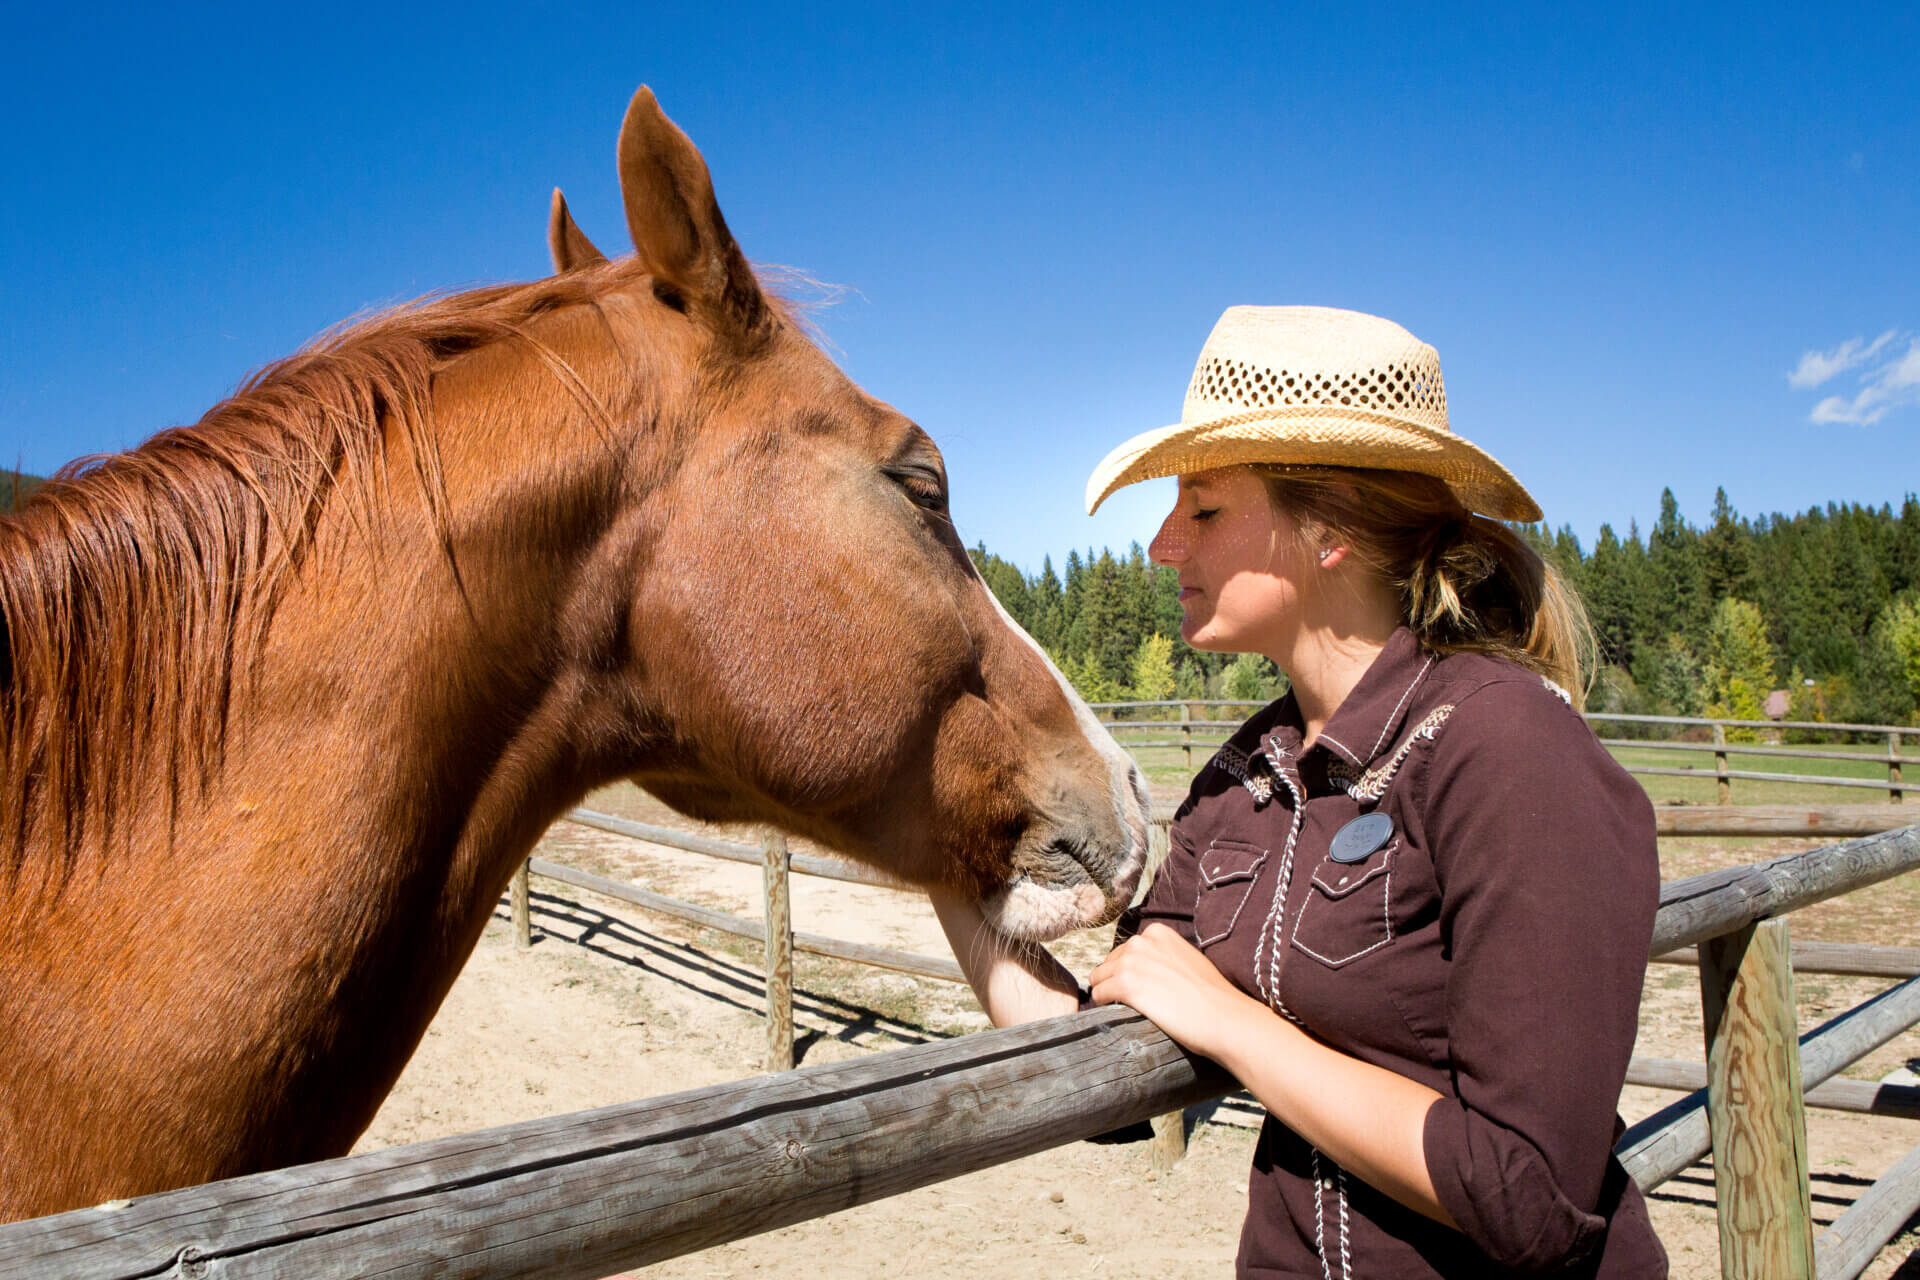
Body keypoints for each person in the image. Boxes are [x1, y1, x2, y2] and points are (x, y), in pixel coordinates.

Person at [931, 306, 1666, 1277]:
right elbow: (1110, 1066)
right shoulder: (1243, 778)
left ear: (1330, 528)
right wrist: (929, 844)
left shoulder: (1506, 747)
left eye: (1202, 509)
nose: (1161, 545)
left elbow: (1527, 1193)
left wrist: (1236, 1028)